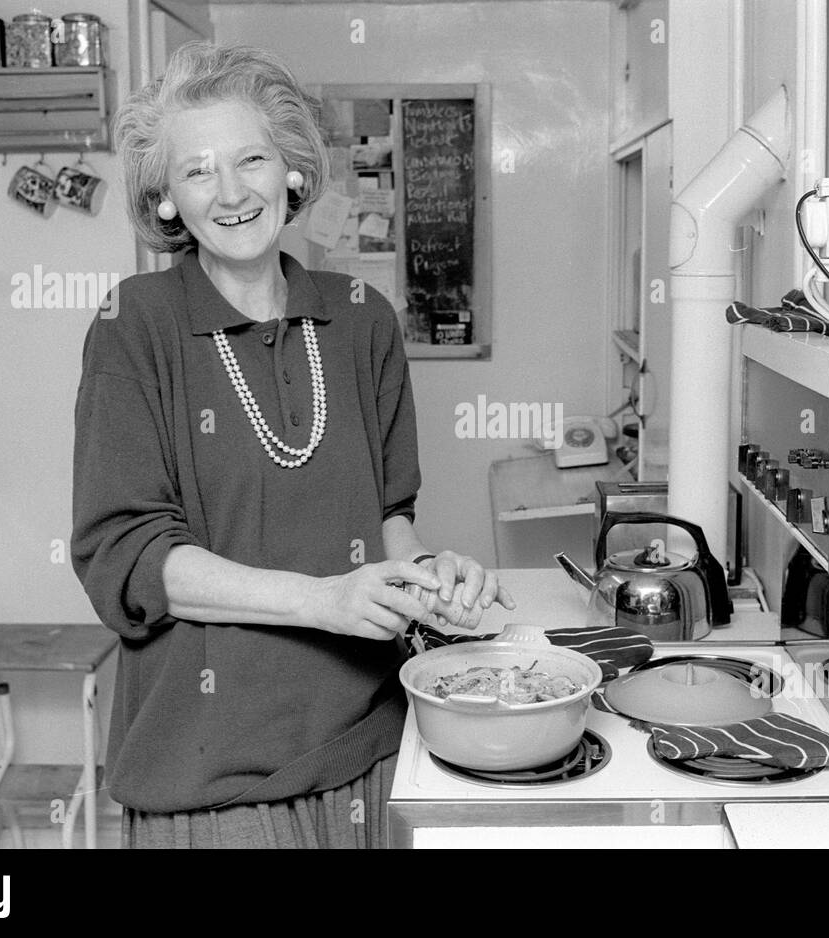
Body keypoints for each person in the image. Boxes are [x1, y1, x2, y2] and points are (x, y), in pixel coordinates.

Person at [71, 41, 513, 848]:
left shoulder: (361, 318)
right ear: (166, 199)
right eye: (198, 171)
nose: (232, 192)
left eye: (252, 160)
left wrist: (425, 577)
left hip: (373, 747)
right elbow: (127, 557)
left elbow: (388, 514)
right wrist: (324, 600)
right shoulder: (134, 326)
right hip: (213, 777)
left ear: (293, 173)